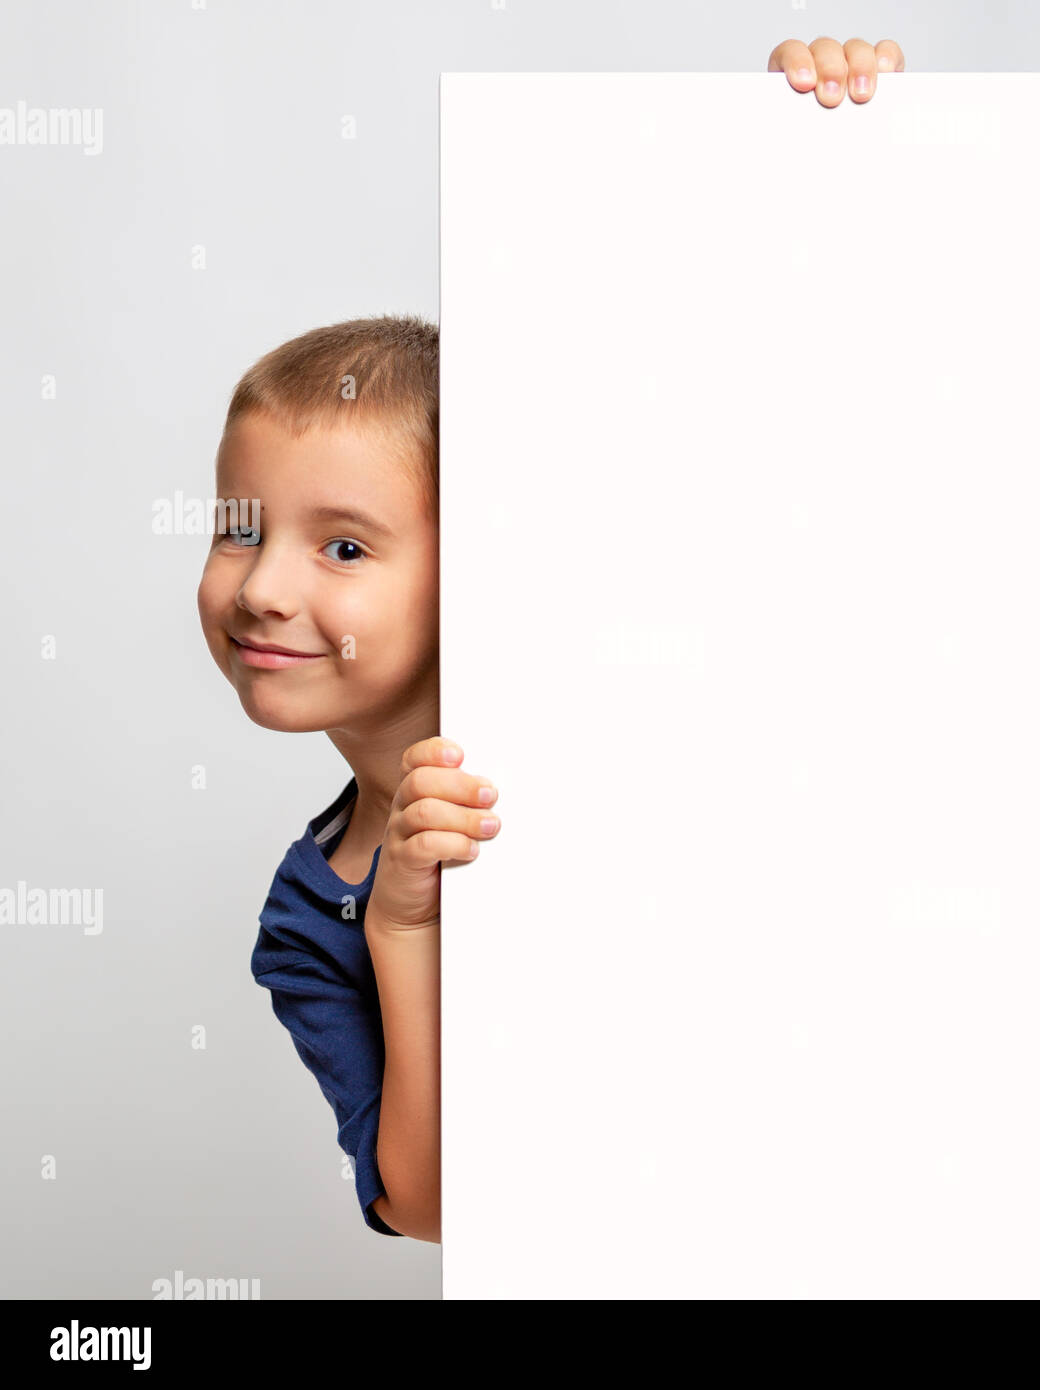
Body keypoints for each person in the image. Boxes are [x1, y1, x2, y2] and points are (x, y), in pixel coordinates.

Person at [195, 34, 905, 1245]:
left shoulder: (641, 680)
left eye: (346, 547)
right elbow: (426, 1208)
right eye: (239, 528)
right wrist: (403, 924)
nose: (260, 587)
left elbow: (763, 408)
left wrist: (823, 139)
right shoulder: (311, 914)